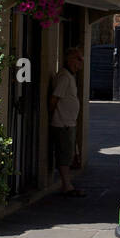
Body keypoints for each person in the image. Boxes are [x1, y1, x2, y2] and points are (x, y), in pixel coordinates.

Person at [49, 47, 85, 196]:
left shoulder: (70, 76)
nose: (80, 63)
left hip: (69, 122)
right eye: (78, 59)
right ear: (69, 59)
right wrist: (54, 116)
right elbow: (54, 99)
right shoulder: (64, 77)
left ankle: (67, 184)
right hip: (63, 123)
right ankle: (67, 186)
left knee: (69, 154)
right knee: (64, 155)